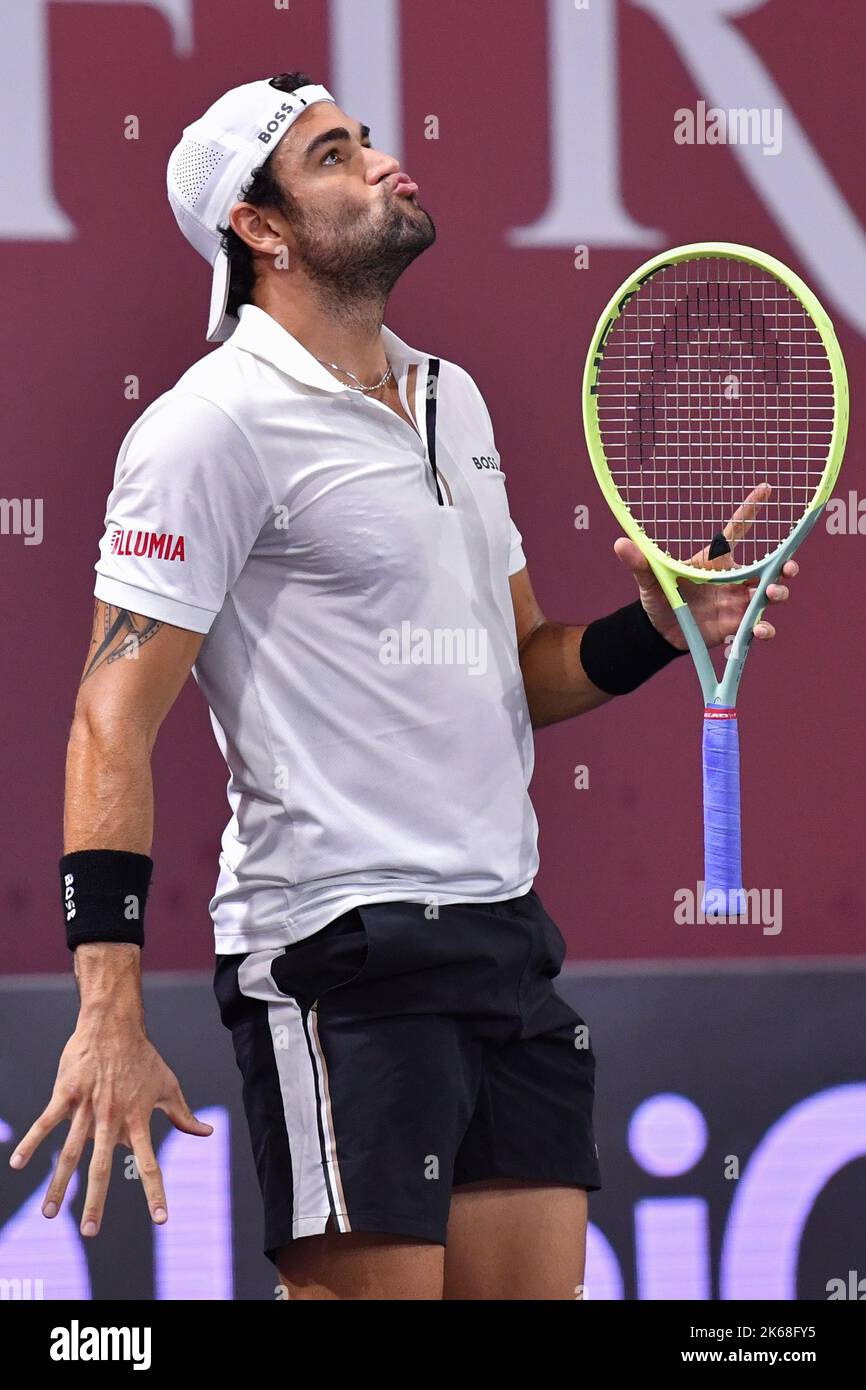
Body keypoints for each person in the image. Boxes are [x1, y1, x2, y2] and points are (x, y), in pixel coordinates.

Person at [10, 72, 797, 1301]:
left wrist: (649, 629)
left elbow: (518, 668)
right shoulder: (205, 427)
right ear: (259, 230)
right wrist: (106, 1002)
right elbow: (110, 712)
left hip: (503, 941)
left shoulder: (452, 397)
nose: (384, 162)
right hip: (341, 956)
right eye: (334, 156)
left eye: (368, 138)